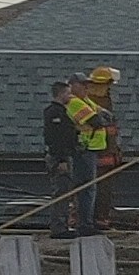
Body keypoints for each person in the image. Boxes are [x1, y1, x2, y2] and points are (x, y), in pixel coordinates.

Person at [64, 73, 111, 234]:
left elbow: (105, 115)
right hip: (84, 148)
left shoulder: (85, 100)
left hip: (90, 148)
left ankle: (86, 222)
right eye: (83, 84)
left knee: (87, 188)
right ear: (72, 85)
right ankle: (85, 225)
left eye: (87, 84)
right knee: (87, 189)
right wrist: (101, 119)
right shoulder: (74, 102)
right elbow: (97, 121)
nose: (86, 87)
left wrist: (102, 117)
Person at [41, 81, 81, 238]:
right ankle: (59, 228)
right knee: (61, 192)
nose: (70, 96)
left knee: (65, 191)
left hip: (64, 155)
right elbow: (55, 138)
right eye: (68, 93)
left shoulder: (61, 112)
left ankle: (62, 225)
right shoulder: (55, 113)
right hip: (59, 158)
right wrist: (62, 159)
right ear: (60, 93)